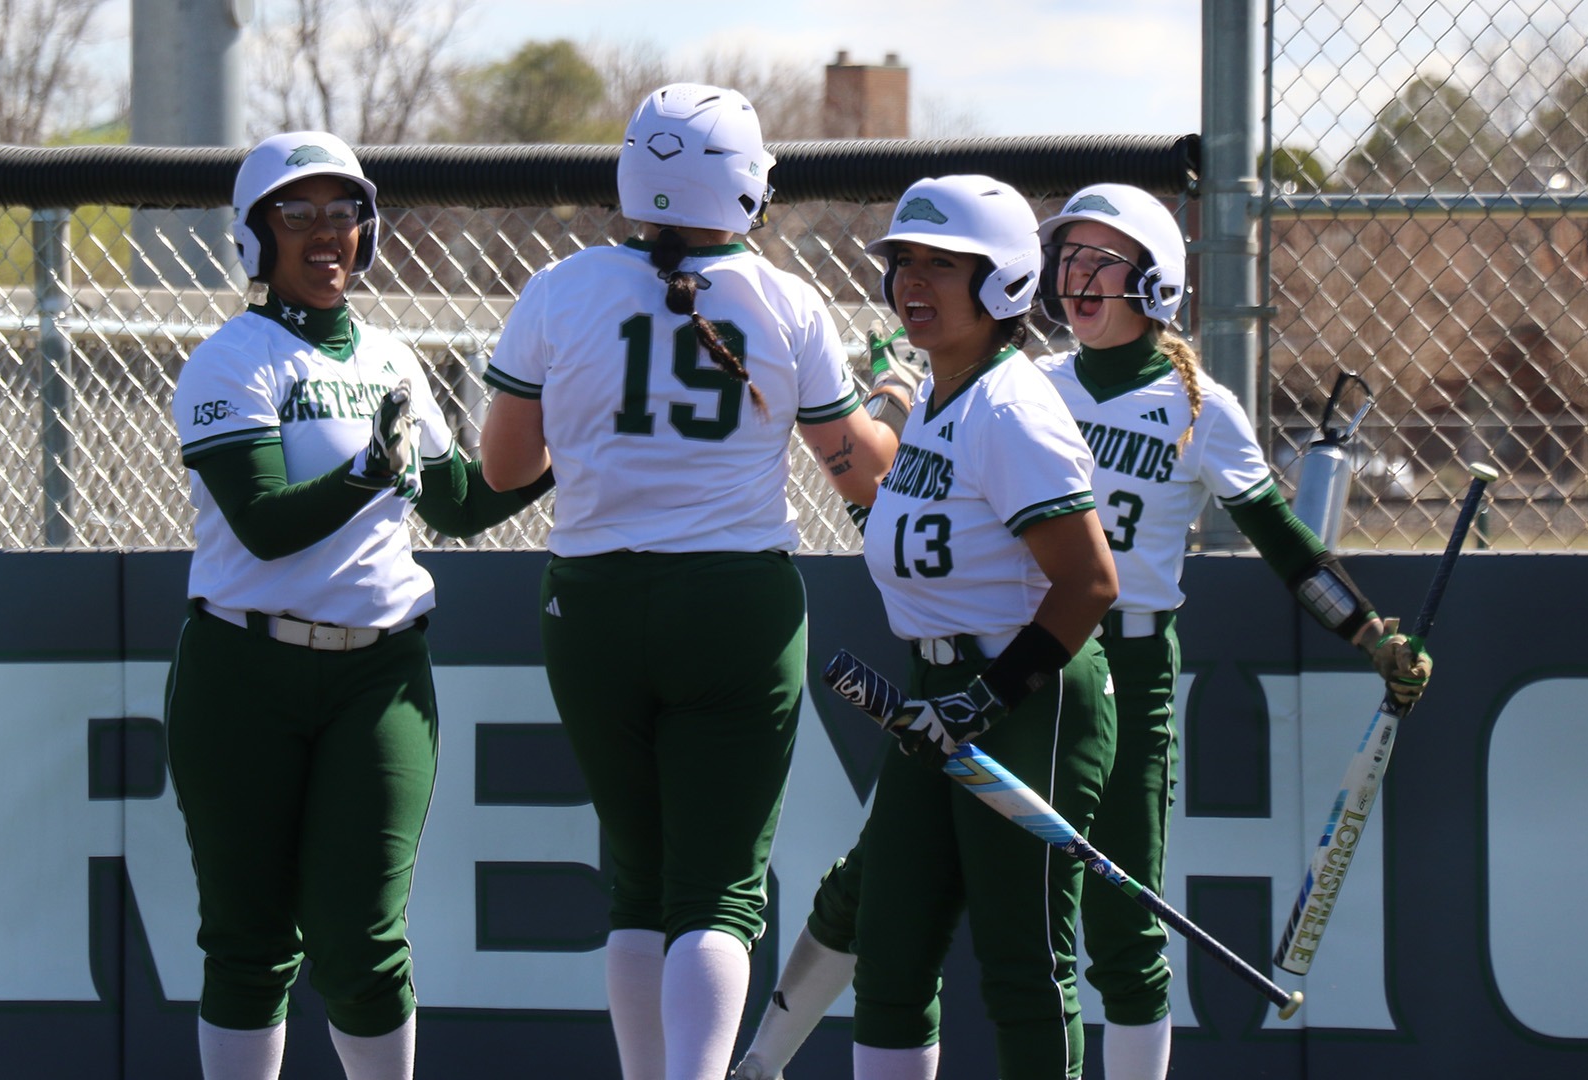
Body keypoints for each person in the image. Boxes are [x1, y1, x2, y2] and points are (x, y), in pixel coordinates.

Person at [730, 182, 1435, 1080]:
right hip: (987, 666)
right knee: (884, 896)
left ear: (1157, 283)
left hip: (1093, 670)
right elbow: (923, 516)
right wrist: (893, 399)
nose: (1078, 276)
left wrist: (1368, 633)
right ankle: (759, 1061)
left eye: (1103, 259)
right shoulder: (1013, 382)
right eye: (1068, 257)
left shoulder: (1172, 404)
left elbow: (1273, 543)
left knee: (1102, 924)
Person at [476, 84, 899, 1080]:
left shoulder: (559, 288)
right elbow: (861, 469)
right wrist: (890, 400)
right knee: (716, 892)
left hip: (591, 604)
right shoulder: (787, 302)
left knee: (639, 882)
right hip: (733, 606)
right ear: (749, 182)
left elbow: (501, 469)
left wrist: (604, 438)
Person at [165, 130, 551, 1080]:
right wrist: (367, 471)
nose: (325, 232)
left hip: (380, 673)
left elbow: (460, 503)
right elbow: (261, 522)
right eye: (297, 214)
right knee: (249, 940)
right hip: (243, 672)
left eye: (345, 211)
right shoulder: (230, 359)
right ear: (255, 236)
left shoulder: (392, 356)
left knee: (362, 940)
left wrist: (576, 448)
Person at [851, 173, 1121, 1080]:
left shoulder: (1008, 407)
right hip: (939, 694)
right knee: (889, 951)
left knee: (1022, 966)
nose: (913, 284)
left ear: (1003, 282)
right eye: (902, 263)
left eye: (942, 265)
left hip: (1024, 697)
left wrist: (986, 697)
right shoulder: (939, 395)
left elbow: (1088, 582)